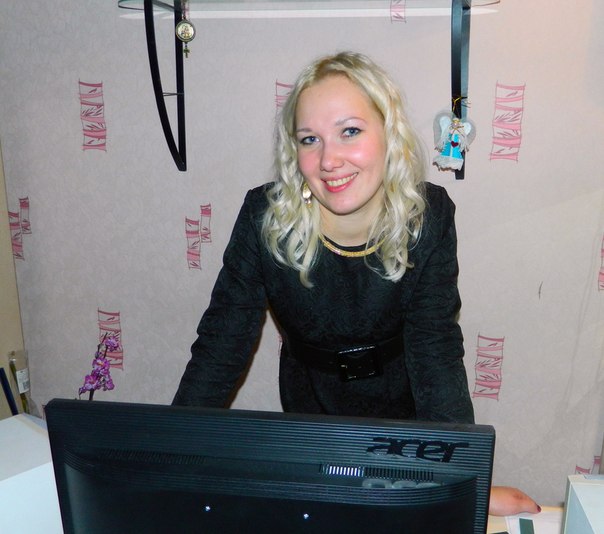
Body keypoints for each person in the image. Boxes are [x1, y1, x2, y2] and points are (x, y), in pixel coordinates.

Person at [173, 51, 539, 516]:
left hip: (406, 419)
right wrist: (170, 460)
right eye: (310, 139)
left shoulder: (428, 218)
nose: (329, 160)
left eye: (350, 131)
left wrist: (463, 484)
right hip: (311, 413)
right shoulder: (263, 218)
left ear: (389, 133)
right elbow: (221, 346)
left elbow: (436, 349)